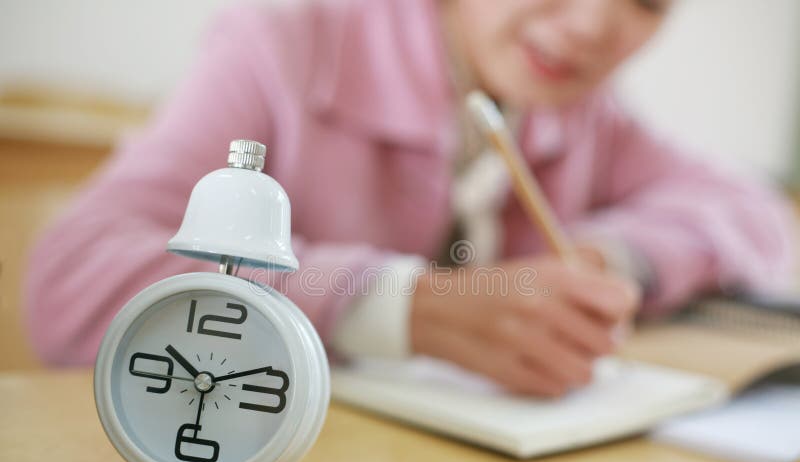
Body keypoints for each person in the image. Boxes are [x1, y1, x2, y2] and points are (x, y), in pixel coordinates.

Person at [25, 0, 795, 397]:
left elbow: (756, 213)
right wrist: (394, 304)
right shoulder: (288, 42)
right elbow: (74, 278)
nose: (594, 25)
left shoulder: (581, 111)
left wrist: (610, 256)